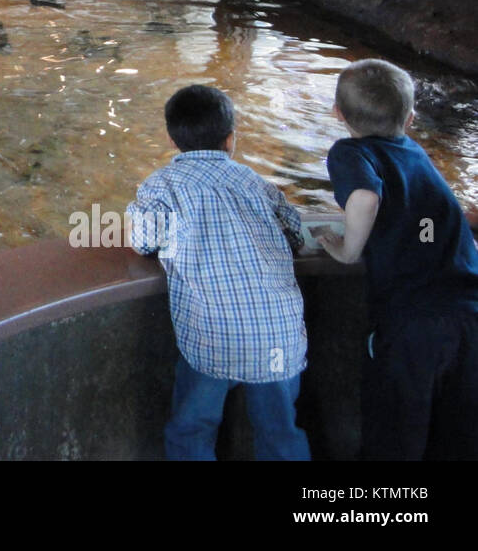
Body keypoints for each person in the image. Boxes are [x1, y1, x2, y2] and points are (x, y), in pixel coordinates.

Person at [128, 84, 309, 461]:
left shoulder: (162, 185)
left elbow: (143, 240)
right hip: (278, 334)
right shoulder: (257, 183)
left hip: (212, 337)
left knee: (192, 428)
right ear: (230, 139)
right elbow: (295, 234)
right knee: (280, 432)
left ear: (172, 140)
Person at [316, 59, 478, 460]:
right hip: (469, 315)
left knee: (394, 438)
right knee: (457, 438)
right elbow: (425, 224)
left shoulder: (351, 151)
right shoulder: (417, 156)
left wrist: (348, 250)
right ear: (409, 119)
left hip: (414, 327)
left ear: (337, 113)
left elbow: (365, 197)